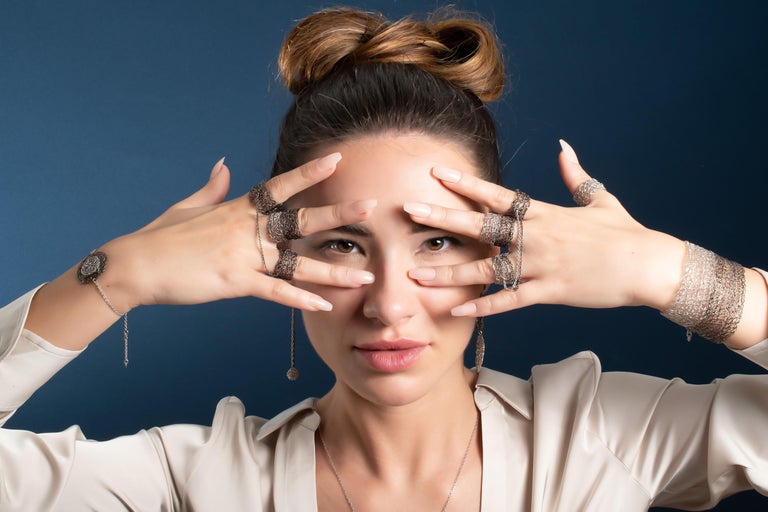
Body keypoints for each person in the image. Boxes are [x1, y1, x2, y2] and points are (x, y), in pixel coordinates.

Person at [1, 6, 766, 511]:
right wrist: (116, 277)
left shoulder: (600, 438)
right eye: (342, 244)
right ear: (280, 258)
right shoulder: (200, 482)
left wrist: (673, 275)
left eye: (436, 241)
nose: (388, 304)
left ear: (498, 247)